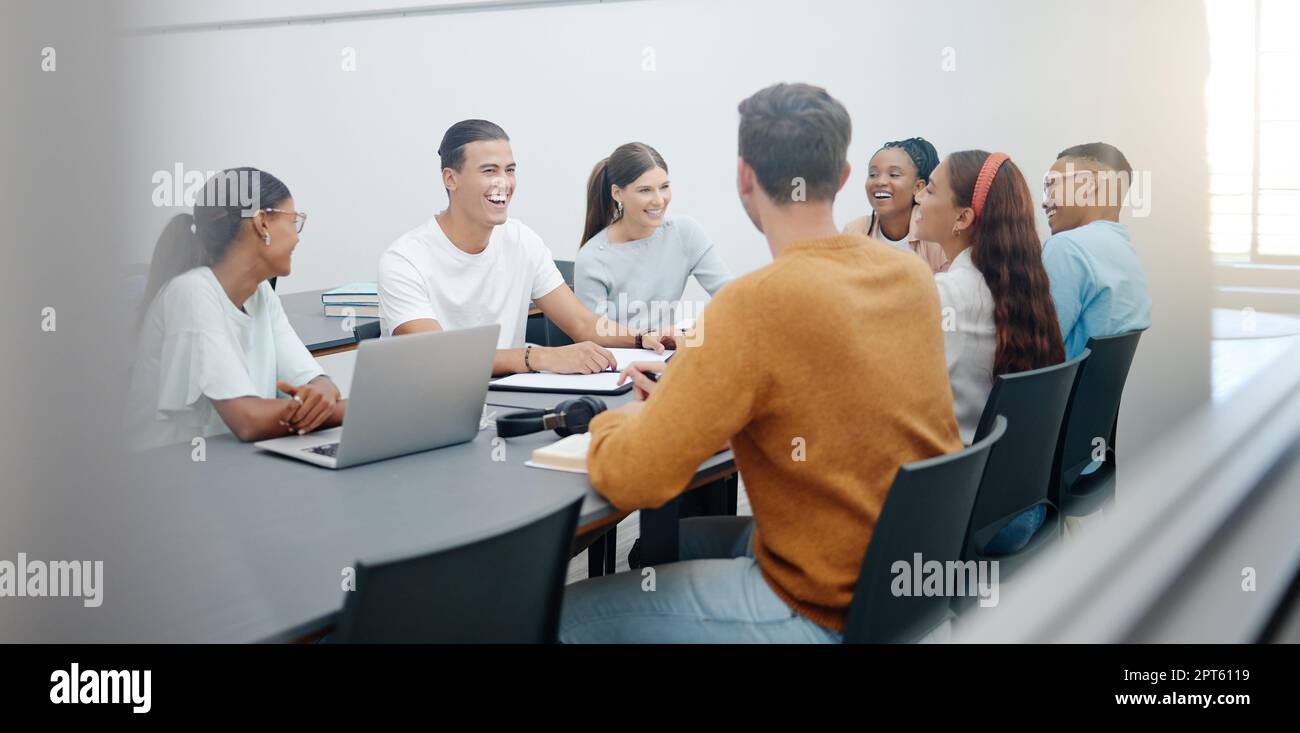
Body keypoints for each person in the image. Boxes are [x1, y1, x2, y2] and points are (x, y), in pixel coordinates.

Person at [558, 83, 962, 643]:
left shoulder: (751, 305)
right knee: (677, 543)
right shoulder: (912, 277)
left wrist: (612, 421)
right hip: (910, 578)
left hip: (823, 604)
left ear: (744, 178)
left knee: (556, 618)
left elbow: (638, 477)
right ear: (845, 175)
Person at [378, 120, 676, 377]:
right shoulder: (405, 260)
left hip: (502, 402)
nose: (504, 183)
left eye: (509, 170)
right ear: (450, 178)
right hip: (425, 410)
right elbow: (438, 356)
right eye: (489, 170)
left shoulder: (521, 241)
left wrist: (642, 338)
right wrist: (538, 357)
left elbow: (581, 323)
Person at [126, 168, 344, 451]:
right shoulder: (191, 293)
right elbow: (248, 421)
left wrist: (323, 393)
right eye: (294, 221)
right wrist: (359, 411)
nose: (297, 237)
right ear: (262, 223)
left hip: (231, 464)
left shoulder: (261, 292)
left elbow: (314, 380)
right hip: (168, 476)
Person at [914, 150, 1065, 445]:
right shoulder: (1016, 286)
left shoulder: (947, 294)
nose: (918, 198)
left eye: (929, 189)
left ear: (963, 217)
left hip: (946, 470)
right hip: (985, 468)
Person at [575, 142, 731, 333]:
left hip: (668, 354)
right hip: (619, 359)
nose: (659, 200)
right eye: (645, 190)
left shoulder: (685, 233)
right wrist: (645, 341)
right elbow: (597, 336)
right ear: (617, 193)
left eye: (664, 187)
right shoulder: (592, 258)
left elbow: (730, 296)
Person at [1042, 142, 1152, 359]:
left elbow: (1031, 352)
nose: (1045, 202)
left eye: (1052, 185)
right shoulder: (1125, 252)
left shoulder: (1066, 248)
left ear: (1088, 184)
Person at [844, 137, 949, 273]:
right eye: (873, 174)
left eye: (893, 174)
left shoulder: (936, 237)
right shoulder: (854, 231)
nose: (880, 181)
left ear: (918, 187)